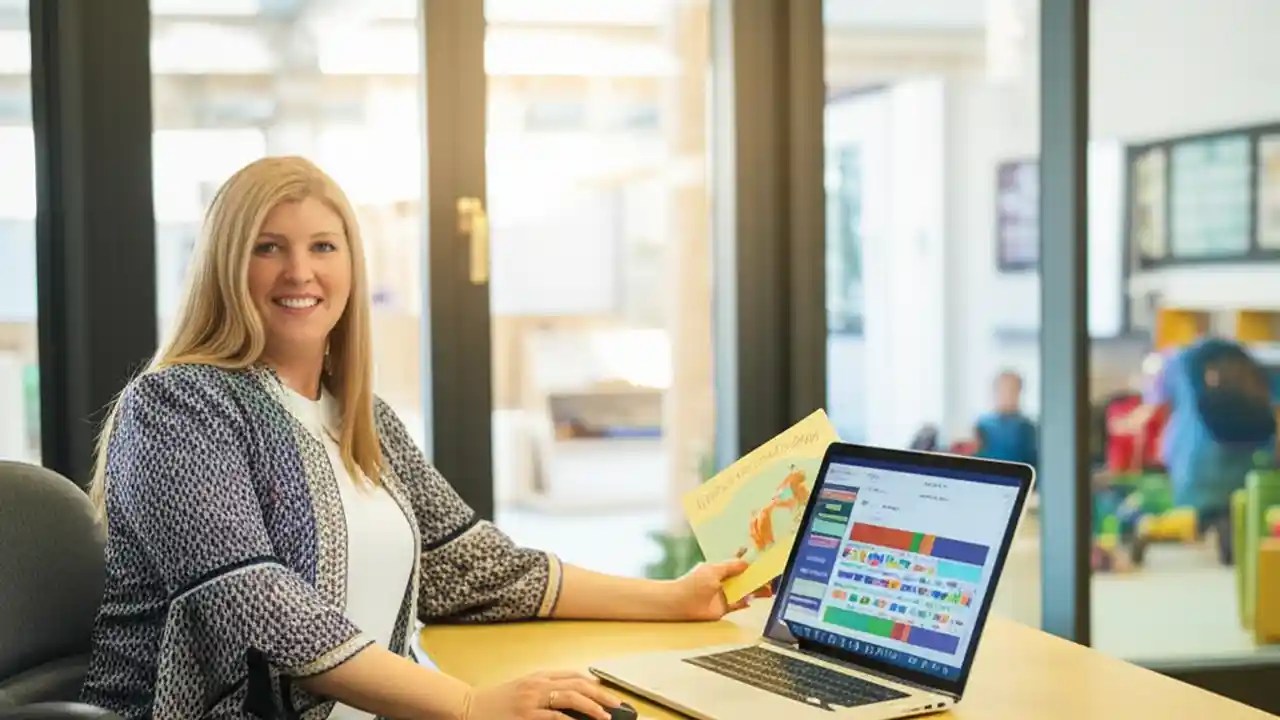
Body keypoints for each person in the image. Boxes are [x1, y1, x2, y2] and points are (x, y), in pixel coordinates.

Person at [80, 156, 767, 720]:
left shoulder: (361, 415)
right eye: (268, 248)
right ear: (226, 266)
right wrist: (467, 704)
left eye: (324, 246)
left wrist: (675, 598)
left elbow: (474, 571)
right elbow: (255, 603)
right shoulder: (177, 406)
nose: (300, 272)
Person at [1119, 337, 1276, 563]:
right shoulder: (1246, 364)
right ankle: (1219, 539)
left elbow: (1152, 408)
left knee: (1200, 514)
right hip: (1242, 461)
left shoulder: (1179, 364)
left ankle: (1149, 528)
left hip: (1194, 457)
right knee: (1223, 513)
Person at [974, 370, 1038, 470]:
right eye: (1002, 390)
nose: (1007, 395)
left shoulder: (1027, 427)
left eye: (1011, 390)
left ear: (1019, 391)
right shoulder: (982, 424)